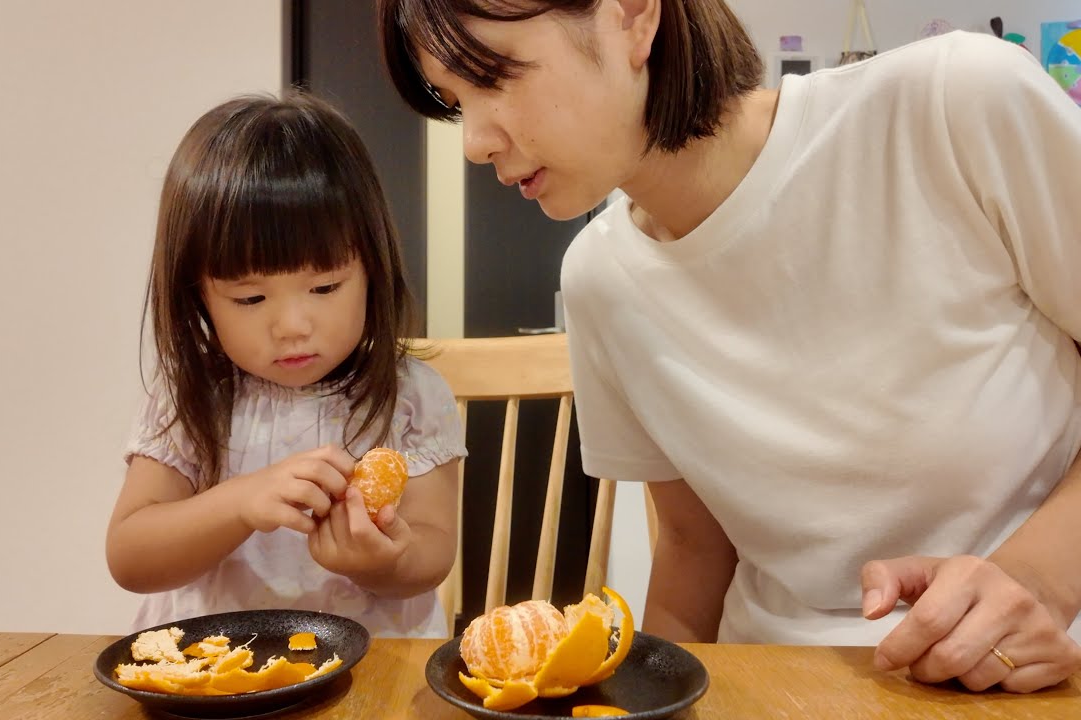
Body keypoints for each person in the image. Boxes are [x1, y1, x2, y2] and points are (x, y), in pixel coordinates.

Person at [378, 0, 1081, 691]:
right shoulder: (600, 280)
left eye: (493, 74)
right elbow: (692, 547)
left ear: (631, 15)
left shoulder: (954, 103)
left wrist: (1040, 580)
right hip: (769, 682)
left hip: (1030, 679)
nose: (474, 142)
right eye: (453, 98)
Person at [105, 92, 466, 638]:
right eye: (250, 299)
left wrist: (383, 561)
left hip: (372, 677)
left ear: (373, 269)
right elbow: (131, 557)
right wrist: (239, 502)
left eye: (324, 286)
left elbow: (434, 550)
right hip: (217, 673)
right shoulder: (192, 396)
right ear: (197, 296)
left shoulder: (411, 394)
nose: (292, 325)